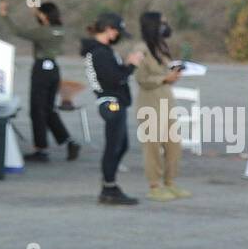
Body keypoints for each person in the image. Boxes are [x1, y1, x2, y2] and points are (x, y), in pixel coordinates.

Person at [0, 0, 77, 162]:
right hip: (53, 70)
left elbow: (19, 31)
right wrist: (37, 11)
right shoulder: (59, 30)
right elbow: (43, 25)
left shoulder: (44, 32)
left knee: (37, 111)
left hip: (41, 71)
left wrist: (4, 15)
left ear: (45, 16)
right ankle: (68, 141)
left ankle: (41, 149)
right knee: (48, 109)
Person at [81, 12, 143, 205]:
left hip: (112, 101)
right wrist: (131, 65)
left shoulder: (102, 50)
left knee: (120, 145)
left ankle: (110, 184)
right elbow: (115, 78)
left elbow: (112, 75)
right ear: (109, 30)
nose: (118, 37)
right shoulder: (100, 52)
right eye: (117, 32)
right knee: (113, 146)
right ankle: (109, 187)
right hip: (111, 103)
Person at [132, 11, 189, 202]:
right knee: (153, 147)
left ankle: (170, 182)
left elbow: (164, 74)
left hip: (166, 101)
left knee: (174, 145)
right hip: (149, 103)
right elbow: (141, 79)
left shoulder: (161, 47)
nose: (166, 26)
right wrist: (164, 77)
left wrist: (172, 74)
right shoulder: (141, 49)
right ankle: (155, 185)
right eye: (162, 23)